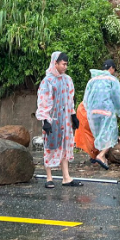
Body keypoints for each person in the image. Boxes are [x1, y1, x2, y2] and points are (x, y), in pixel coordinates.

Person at [36, 51, 81, 188]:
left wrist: (73, 115)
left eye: (66, 64)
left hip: (65, 119)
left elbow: (70, 99)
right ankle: (49, 177)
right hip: (53, 119)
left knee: (65, 146)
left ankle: (66, 177)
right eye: (63, 64)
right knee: (51, 145)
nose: (65, 67)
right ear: (55, 63)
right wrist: (45, 120)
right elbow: (43, 101)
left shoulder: (67, 80)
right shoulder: (48, 81)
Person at [83, 59, 120, 170]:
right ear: (111, 68)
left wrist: (89, 111)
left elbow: (86, 99)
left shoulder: (92, 80)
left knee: (98, 135)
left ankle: (96, 157)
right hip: (106, 112)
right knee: (110, 133)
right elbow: (118, 97)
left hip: (92, 112)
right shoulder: (112, 79)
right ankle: (101, 156)